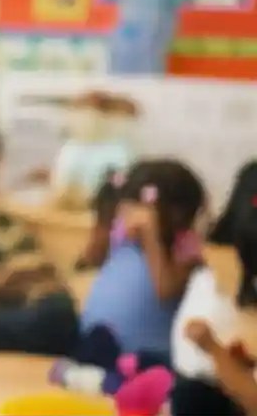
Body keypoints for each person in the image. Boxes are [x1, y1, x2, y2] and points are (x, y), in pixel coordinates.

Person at [51, 159, 206, 396]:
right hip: (104, 341)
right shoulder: (122, 237)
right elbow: (91, 258)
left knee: (154, 374)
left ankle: (108, 380)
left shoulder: (186, 249)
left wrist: (151, 236)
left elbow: (165, 289)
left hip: (149, 352)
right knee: (87, 340)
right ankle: (96, 377)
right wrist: (105, 217)